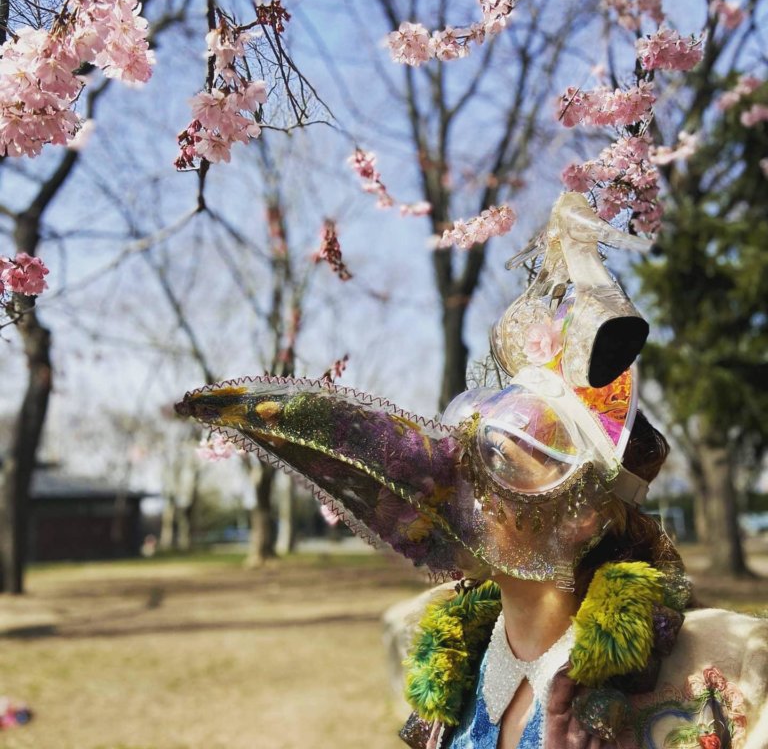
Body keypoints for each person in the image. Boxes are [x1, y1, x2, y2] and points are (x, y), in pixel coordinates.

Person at [176, 193, 768, 749]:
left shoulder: (720, 666)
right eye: (467, 456)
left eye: (503, 465)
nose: (462, 486)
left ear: (586, 513)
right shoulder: (443, 654)